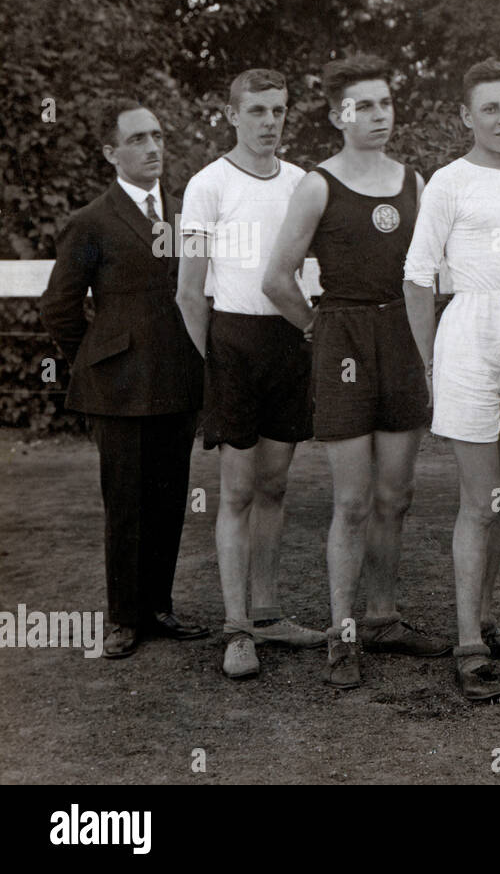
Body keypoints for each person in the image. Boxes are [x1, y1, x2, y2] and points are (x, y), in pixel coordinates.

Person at [263, 54, 449, 690]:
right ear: (338, 114)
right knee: (351, 498)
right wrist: (319, 330)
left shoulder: (414, 182)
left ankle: (383, 617)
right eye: (364, 105)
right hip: (341, 336)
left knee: (395, 496)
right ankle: (343, 634)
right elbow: (276, 277)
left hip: (399, 335)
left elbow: (425, 274)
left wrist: (427, 346)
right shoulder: (318, 185)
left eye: (385, 103)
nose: (378, 115)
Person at [404, 59, 500, 702]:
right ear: (467, 116)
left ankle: (487, 617)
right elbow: (416, 277)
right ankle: (467, 643)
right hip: (468, 334)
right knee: (479, 496)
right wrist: (431, 365)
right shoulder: (446, 182)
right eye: (490, 108)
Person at [40, 100, 208, 658]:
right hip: (118, 388)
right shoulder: (91, 220)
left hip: (178, 381)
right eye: (138, 139)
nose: (153, 147)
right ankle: (123, 618)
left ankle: (159, 608)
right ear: (112, 152)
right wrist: (95, 357)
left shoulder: (188, 213)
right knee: (127, 504)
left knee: (169, 499)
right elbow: (59, 306)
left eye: (158, 136)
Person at [176, 68, 325, 680]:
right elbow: (189, 294)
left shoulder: (302, 183)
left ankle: (266, 614)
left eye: (280, 111)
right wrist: (217, 366)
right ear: (233, 115)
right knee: (234, 491)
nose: (270, 122)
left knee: (275, 486)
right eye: (258, 111)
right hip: (231, 341)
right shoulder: (207, 184)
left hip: (288, 340)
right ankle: (237, 629)